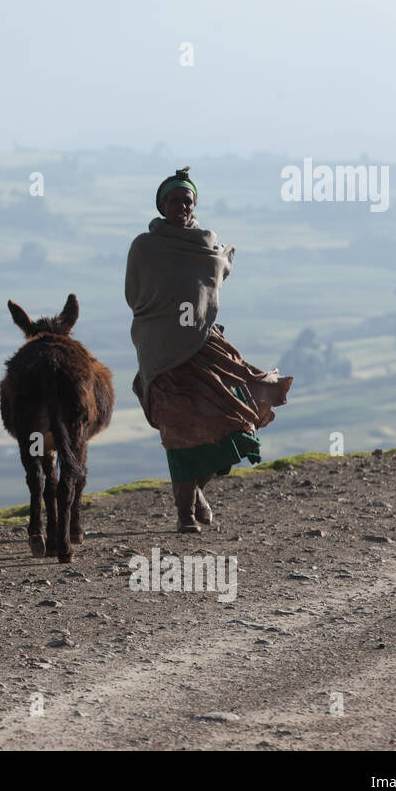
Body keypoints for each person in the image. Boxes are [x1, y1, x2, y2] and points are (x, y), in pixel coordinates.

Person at [125, 168, 292, 533]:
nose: (180, 207)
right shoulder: (145, 247)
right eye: (173, 201)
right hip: (162, 354)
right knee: (179, 432)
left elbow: (215, 272)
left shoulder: (205, 244)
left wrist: (219, 266)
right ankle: (184, 514)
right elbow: (135, 296)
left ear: (194, 204)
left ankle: (197, 491)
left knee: (230, 421)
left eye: (187, 201)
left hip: (202, 346)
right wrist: (164, 323)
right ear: (161, 204)